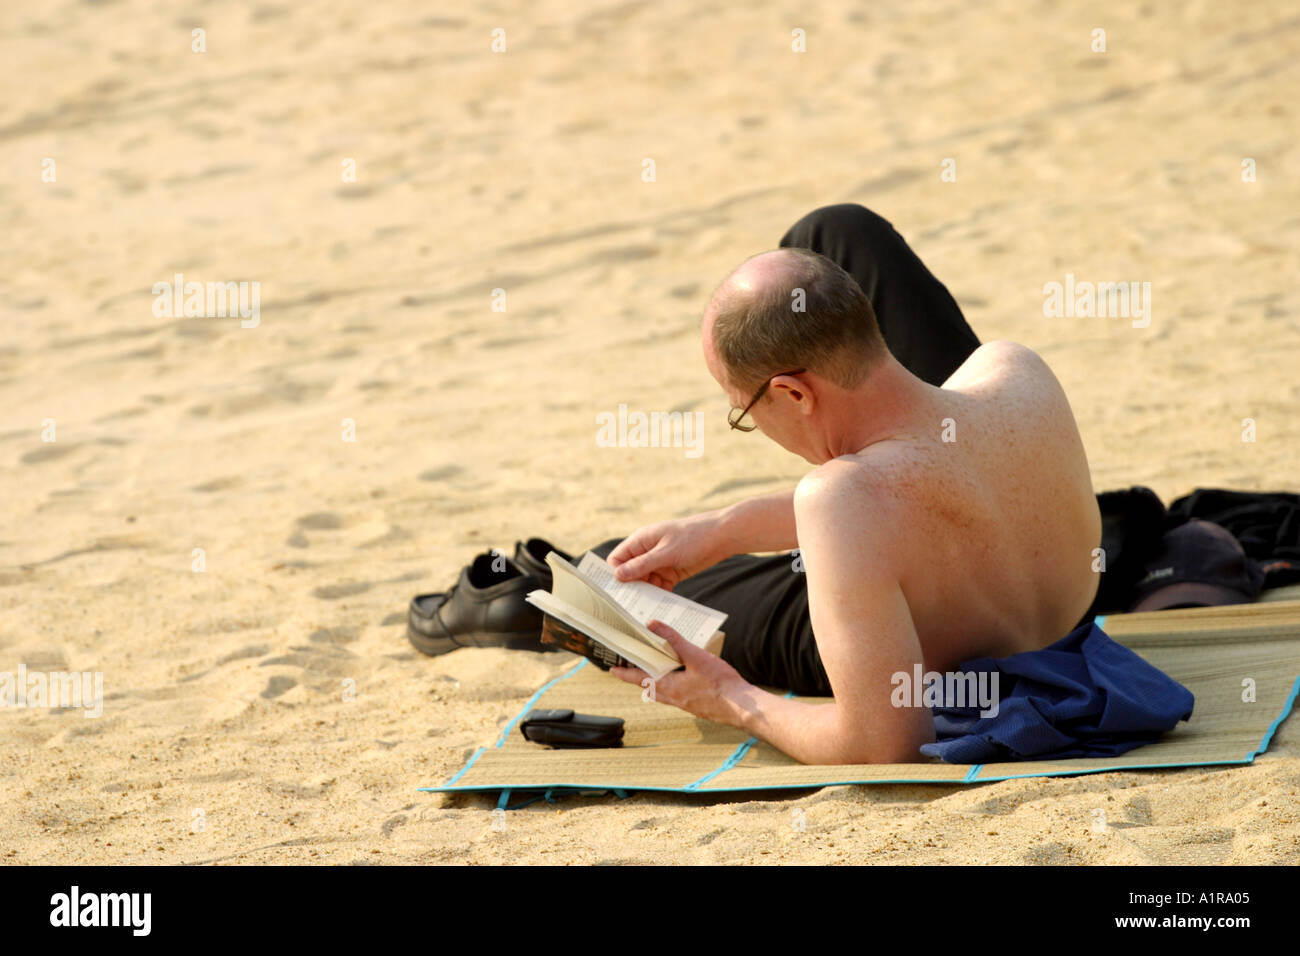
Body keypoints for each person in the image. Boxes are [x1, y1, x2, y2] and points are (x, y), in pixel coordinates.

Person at [583, 203, 1102, 765]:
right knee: (834, 226)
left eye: (746, 412)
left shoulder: (838, 499)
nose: (754, 425)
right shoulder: (1015, 368)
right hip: (1059, 616)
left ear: (794, 394)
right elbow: (914, 488)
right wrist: (725, 528)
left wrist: (730, 698)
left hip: (909, 649)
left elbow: (884, 744)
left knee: (609, 574)